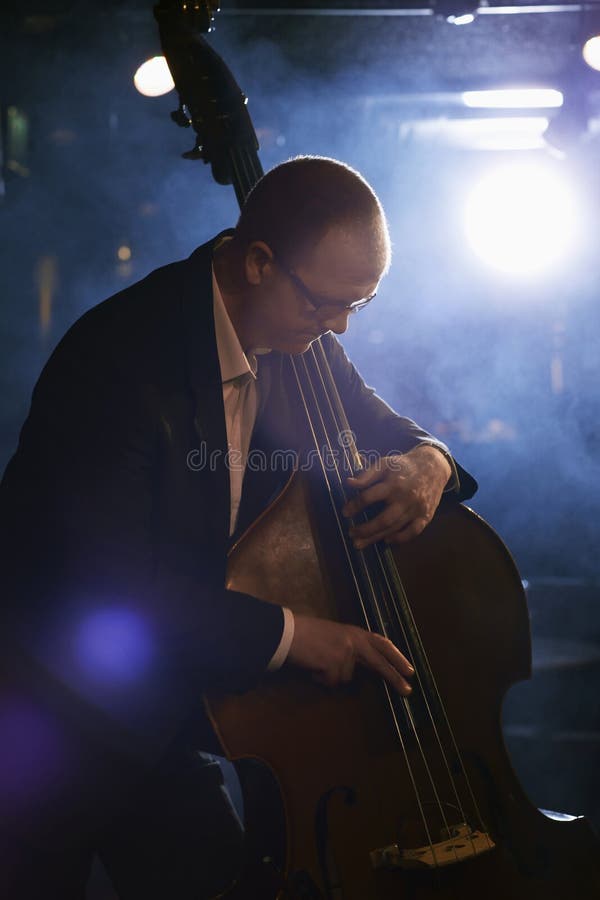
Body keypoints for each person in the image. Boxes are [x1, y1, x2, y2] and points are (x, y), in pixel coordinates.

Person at [0, 156, 476, 898]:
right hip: (46, 709)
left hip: (166, 707)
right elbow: (112, 589)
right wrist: (296, 636)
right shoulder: (120, 360)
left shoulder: (300, 339)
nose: (339, 329)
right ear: (258, 263)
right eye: (326, 304)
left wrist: (430, 464)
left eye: (361, 306)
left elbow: (388, 427)